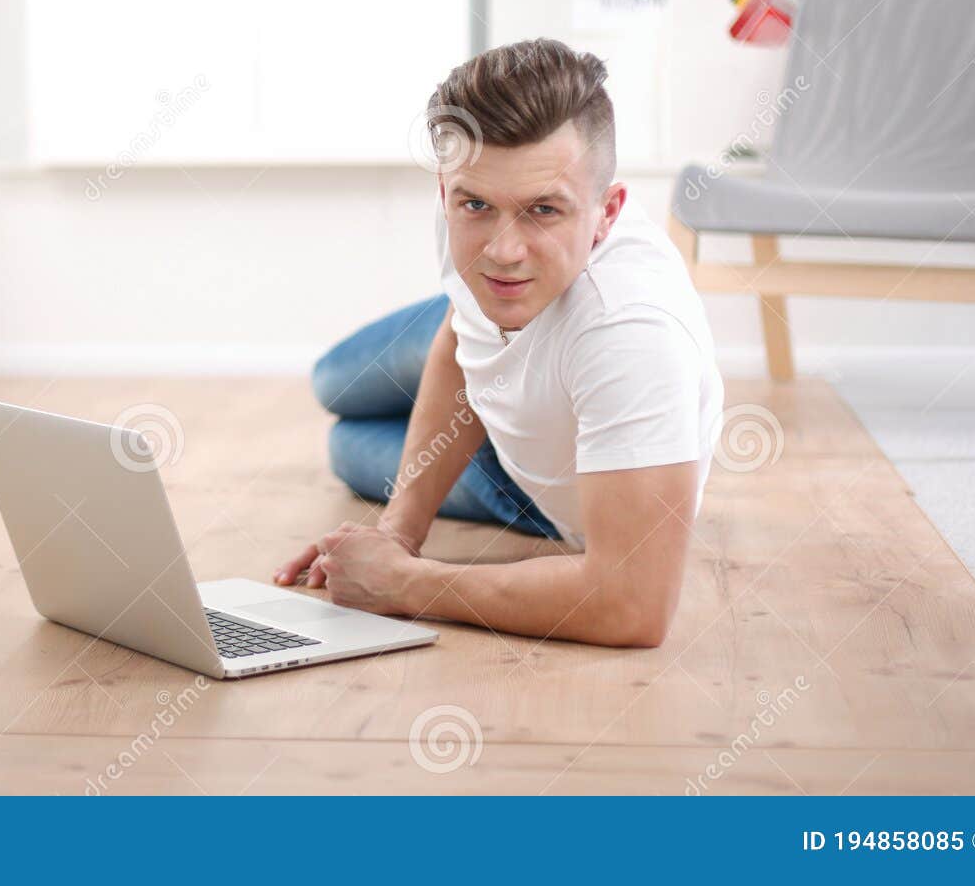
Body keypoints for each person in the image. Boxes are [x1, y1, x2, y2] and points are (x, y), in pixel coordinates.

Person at [276, 39, 724, 647]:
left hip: (534, 482)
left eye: (544, 210)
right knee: (333, 383)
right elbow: (468, 331)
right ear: (446, 191)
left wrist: (406, 582)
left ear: (607, 213)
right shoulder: (478, 201)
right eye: (475, 205)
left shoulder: (631, 333)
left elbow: (632, 606)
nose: (503, 250)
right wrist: (397, 531)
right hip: (518, 382)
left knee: (345, 448)